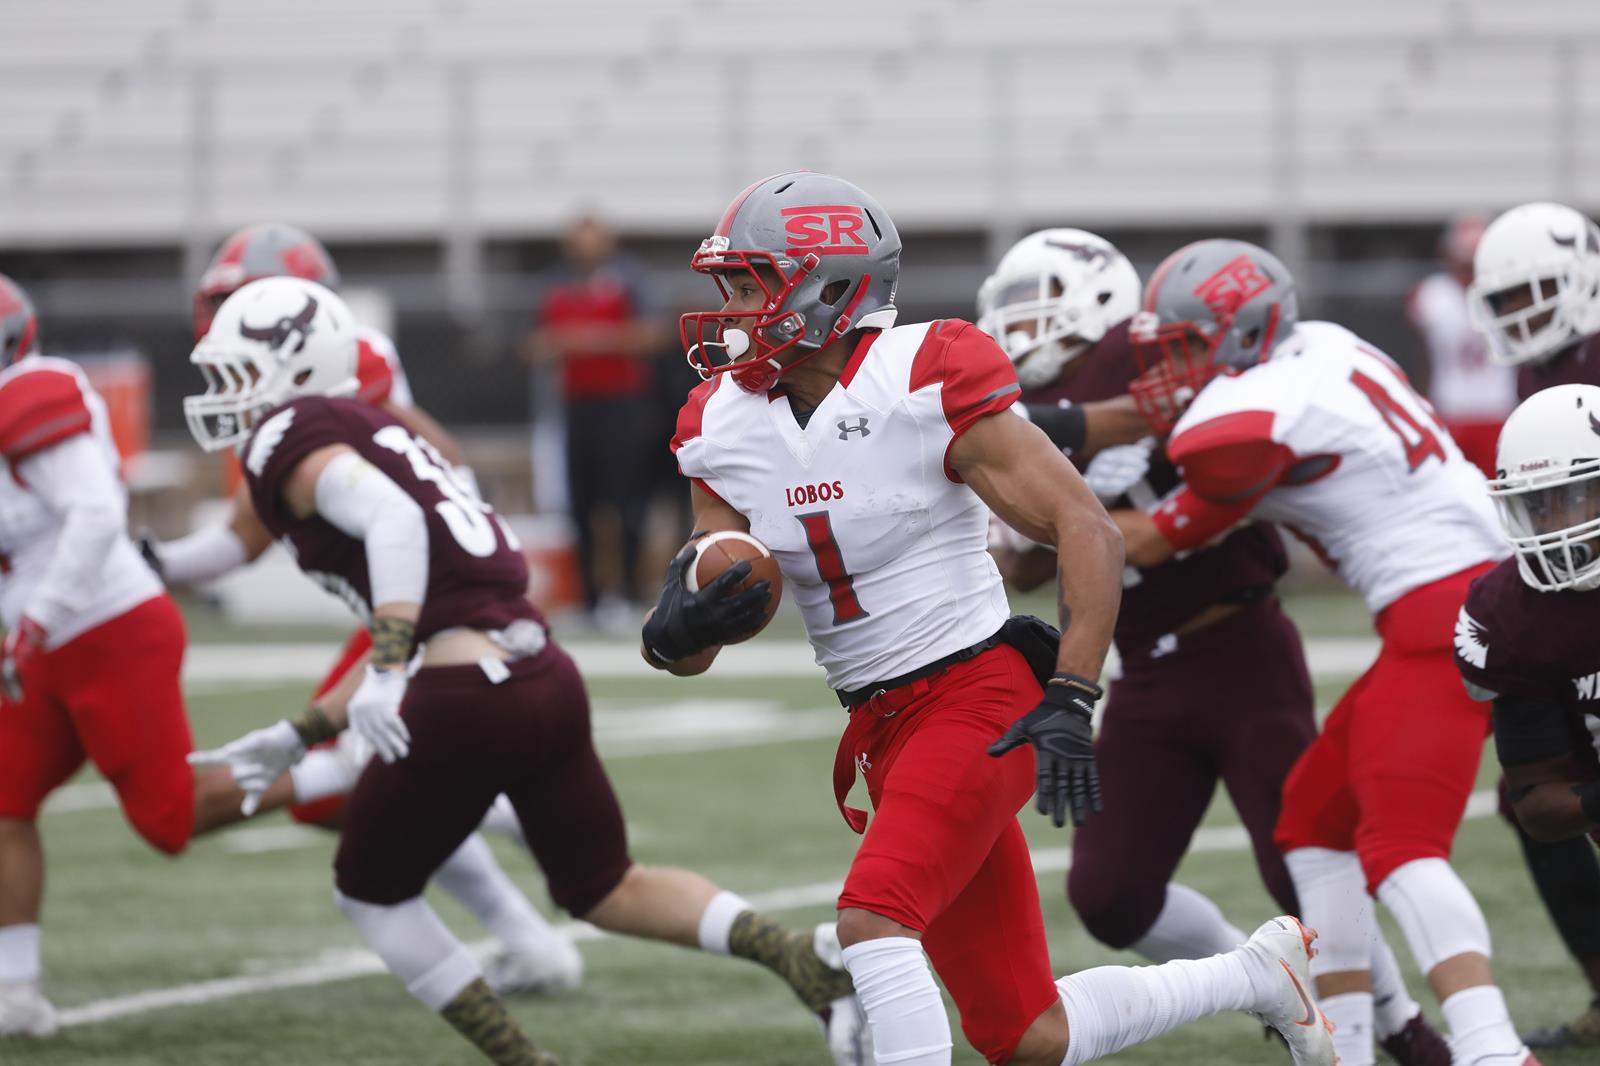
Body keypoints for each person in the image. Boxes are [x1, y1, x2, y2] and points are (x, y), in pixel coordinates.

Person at [652, 171, 1335, 1066]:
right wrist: (681, 630)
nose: (733, 309)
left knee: (871, 918)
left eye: (748, 284)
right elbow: (716, 584)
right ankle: (1258, 975)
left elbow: (1082, 525)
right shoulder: (719, 421)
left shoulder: (925, 371)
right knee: (1025, 1034)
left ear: (826, 285)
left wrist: (1071, 693)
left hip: (978, 694)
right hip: (881, 725)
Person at [185, 276, 868, 1066]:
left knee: (369, 893)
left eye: (237, 372)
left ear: (294, 369)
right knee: (607, 887)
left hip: (461, 695)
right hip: (540, 673)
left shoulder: (292, 432)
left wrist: (381, 669)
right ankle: (799, 959)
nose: (225, 393)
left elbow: (395, 535)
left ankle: (525, 1060)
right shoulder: (382, 433)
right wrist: (301, 730)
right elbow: (433, 594)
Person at [977, 230, 1449, 1066]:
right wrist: (1033, 502)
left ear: (1093, 296)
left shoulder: (1144, 348)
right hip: (1145, 671)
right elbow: (1019, 566)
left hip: (1238, 644)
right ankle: (1271, 982)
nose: (1020, 328)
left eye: (1035, 305)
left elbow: (1160, 409)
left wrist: (1069, 433)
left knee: (1299, 862)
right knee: (1110, 895)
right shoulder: (1025, 402)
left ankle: (1402, 1023)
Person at [1113, 239, 1528, 1066]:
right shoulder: (1328, 347)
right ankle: (1350, 1047)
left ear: (1241, 335)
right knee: (1312, 820)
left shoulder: (1248, 420)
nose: (1169, 369)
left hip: (1446, 609)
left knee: (1399, 842)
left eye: (1187, 346)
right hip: (1457, 594)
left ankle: (1492, 1050)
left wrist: (1041, 515)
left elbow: (1154, 540)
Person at [151, 222, 581, 997]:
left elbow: (418, 486)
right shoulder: (261, 388)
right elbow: (247, 535)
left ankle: (496, 820)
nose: (221, 322)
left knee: (245, 800)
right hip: (414, 593)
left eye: (240, 303)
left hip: (425, 597)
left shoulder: (332, 382)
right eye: (217, 302)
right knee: (331, 806)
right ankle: (520, 909)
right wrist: (155, 563)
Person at [0, 275, 234, 1037]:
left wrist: (37, 619)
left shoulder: (35, 390)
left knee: (167, 820)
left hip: (106, 626)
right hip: (40, 645)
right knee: (3, 804)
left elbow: (96, 513)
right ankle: (15, 991)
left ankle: (339, 767)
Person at [1465, 201, 1600, 1050]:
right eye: (1506, 300)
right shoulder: (1539, 371)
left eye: (1536, 293)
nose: (1521, 316)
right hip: (1572, 599)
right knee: (1534, 800)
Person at [521, 216, 665, 625]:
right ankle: (588, 597)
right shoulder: (553, 282)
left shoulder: (630, 278)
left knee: (627, 501)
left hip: (624, 406)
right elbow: (533, 342)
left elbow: (654, 332)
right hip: (576, 406)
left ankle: (632, 592)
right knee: (580, 503)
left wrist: (593, 339)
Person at [1407, 212, 1513, 477]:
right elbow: (1424, 356)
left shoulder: (1507, 291)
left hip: (1497, 407)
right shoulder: (1433, 295)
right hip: (1450, 407)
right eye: (1464, 262)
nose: (1469, 271)